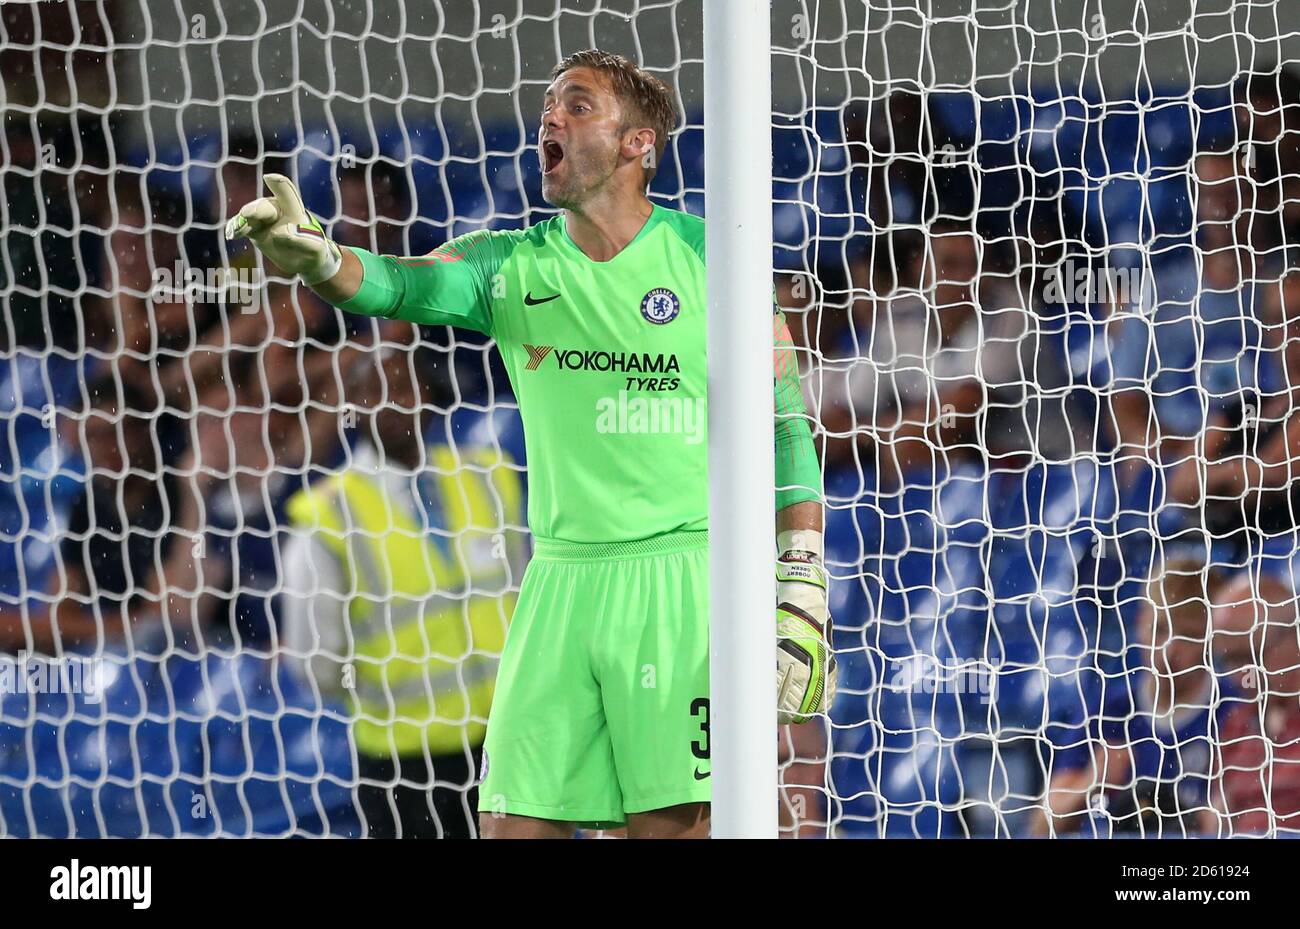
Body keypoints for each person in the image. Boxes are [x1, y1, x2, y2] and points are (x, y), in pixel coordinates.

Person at [226, 49, 834, 838]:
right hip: (558, 588)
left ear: (636, 144)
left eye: (577, 105)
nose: (550, 117)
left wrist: (802, 585)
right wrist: (321, 256)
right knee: (510, 827)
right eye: (549, 105)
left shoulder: (715, 258)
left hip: (679, 586)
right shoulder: (508, 265)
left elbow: (784, 426)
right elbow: (401, 284)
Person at [280, 330, 524, 838]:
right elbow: (315, 663)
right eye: (379, 389)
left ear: (430, 394)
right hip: (406, 764)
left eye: (408, 386)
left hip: (508, 744)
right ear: (355, 406)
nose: (398, 402)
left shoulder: (488, 475)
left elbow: (528, 592)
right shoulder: (328, 515)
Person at [1038, 558, 1237, 836]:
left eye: (1189, 635)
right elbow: (1041, 824)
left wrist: (1208, 820)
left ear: (1213, 637)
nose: (1169, 649)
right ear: (1140, 623)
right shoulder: (1108, 710)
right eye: (1161, 629)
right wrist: (1091, 782)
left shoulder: (1233, 712)